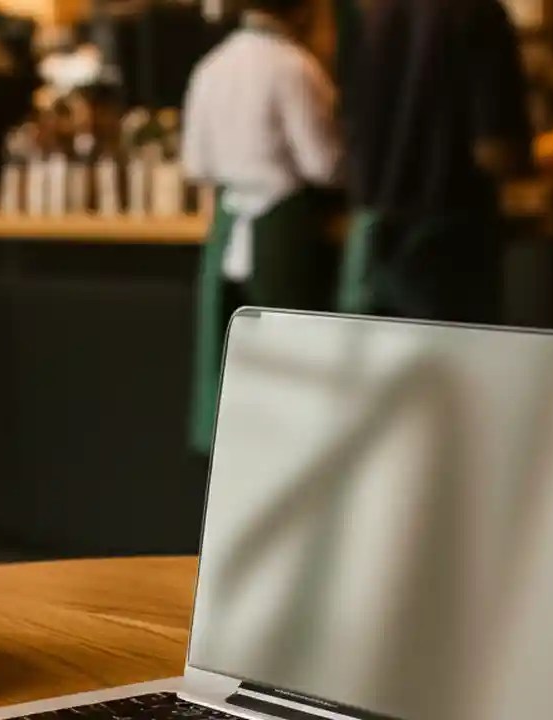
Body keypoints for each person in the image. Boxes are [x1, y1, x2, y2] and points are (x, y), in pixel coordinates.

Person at [181, 0, 343, 454]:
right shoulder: (294, 67)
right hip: (283, 225)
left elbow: (196, 163)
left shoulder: (210, 67)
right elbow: (325, 165)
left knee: (229, 364)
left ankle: (236, 468)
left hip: (228, 225)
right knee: (291, 368)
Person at [337, 0, 532, 323]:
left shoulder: (369, 14)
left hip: (372, 243)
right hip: (450, 247)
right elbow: (495, 151)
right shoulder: (478, 12)